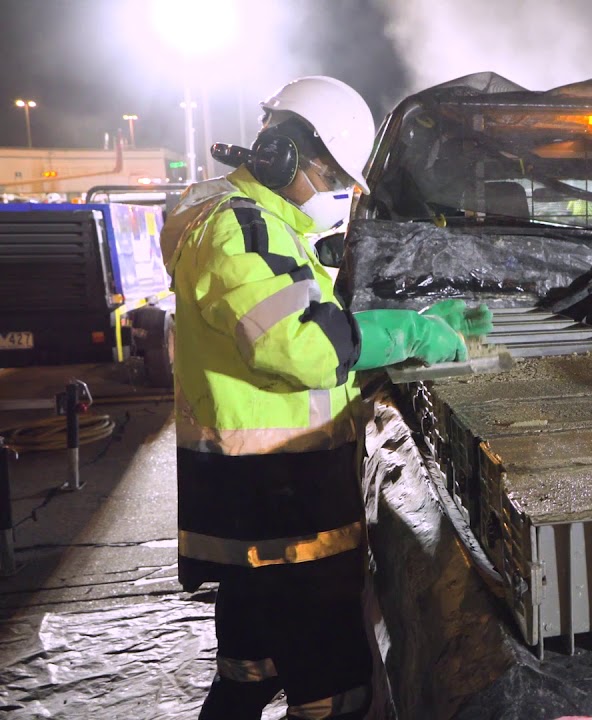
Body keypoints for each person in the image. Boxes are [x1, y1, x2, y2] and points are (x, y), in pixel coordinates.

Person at [159, 75, 493, 720]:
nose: (335, 193)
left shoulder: (250, 221)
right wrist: (409, 332)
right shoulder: (242, 229)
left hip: (251, 496)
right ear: (282, 157)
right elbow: (298, 346)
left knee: (250, 672)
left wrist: (425, 316)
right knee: (332, 693)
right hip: (282, 496)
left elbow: (299, 317)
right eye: (329, 174)